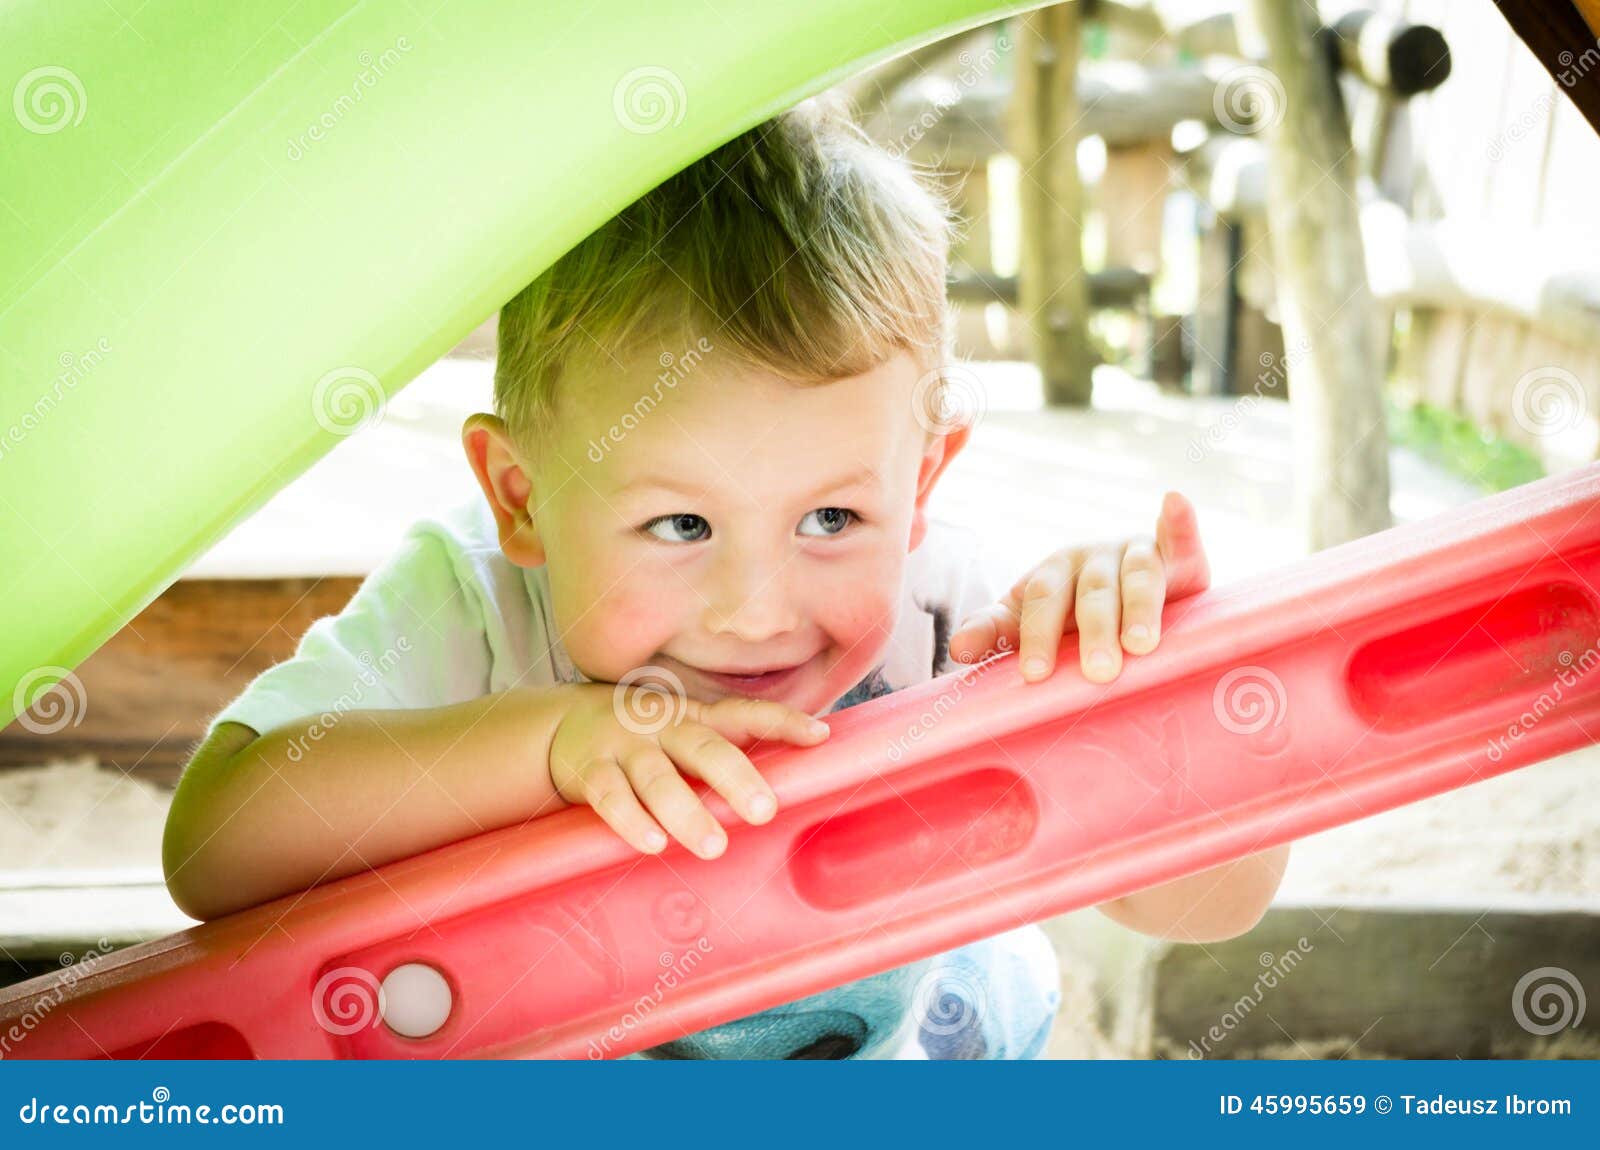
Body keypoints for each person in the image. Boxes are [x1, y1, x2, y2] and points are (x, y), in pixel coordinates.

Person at [163, 94, 1288, 1059]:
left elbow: (1208, 903)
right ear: (521, 498)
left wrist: (1155, 703)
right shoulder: (475, 601)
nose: (756, 611)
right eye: (680, 523)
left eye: (833, 518)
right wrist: (544, 746)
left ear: (922, 480)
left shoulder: (956, 612)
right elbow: (216, 849)